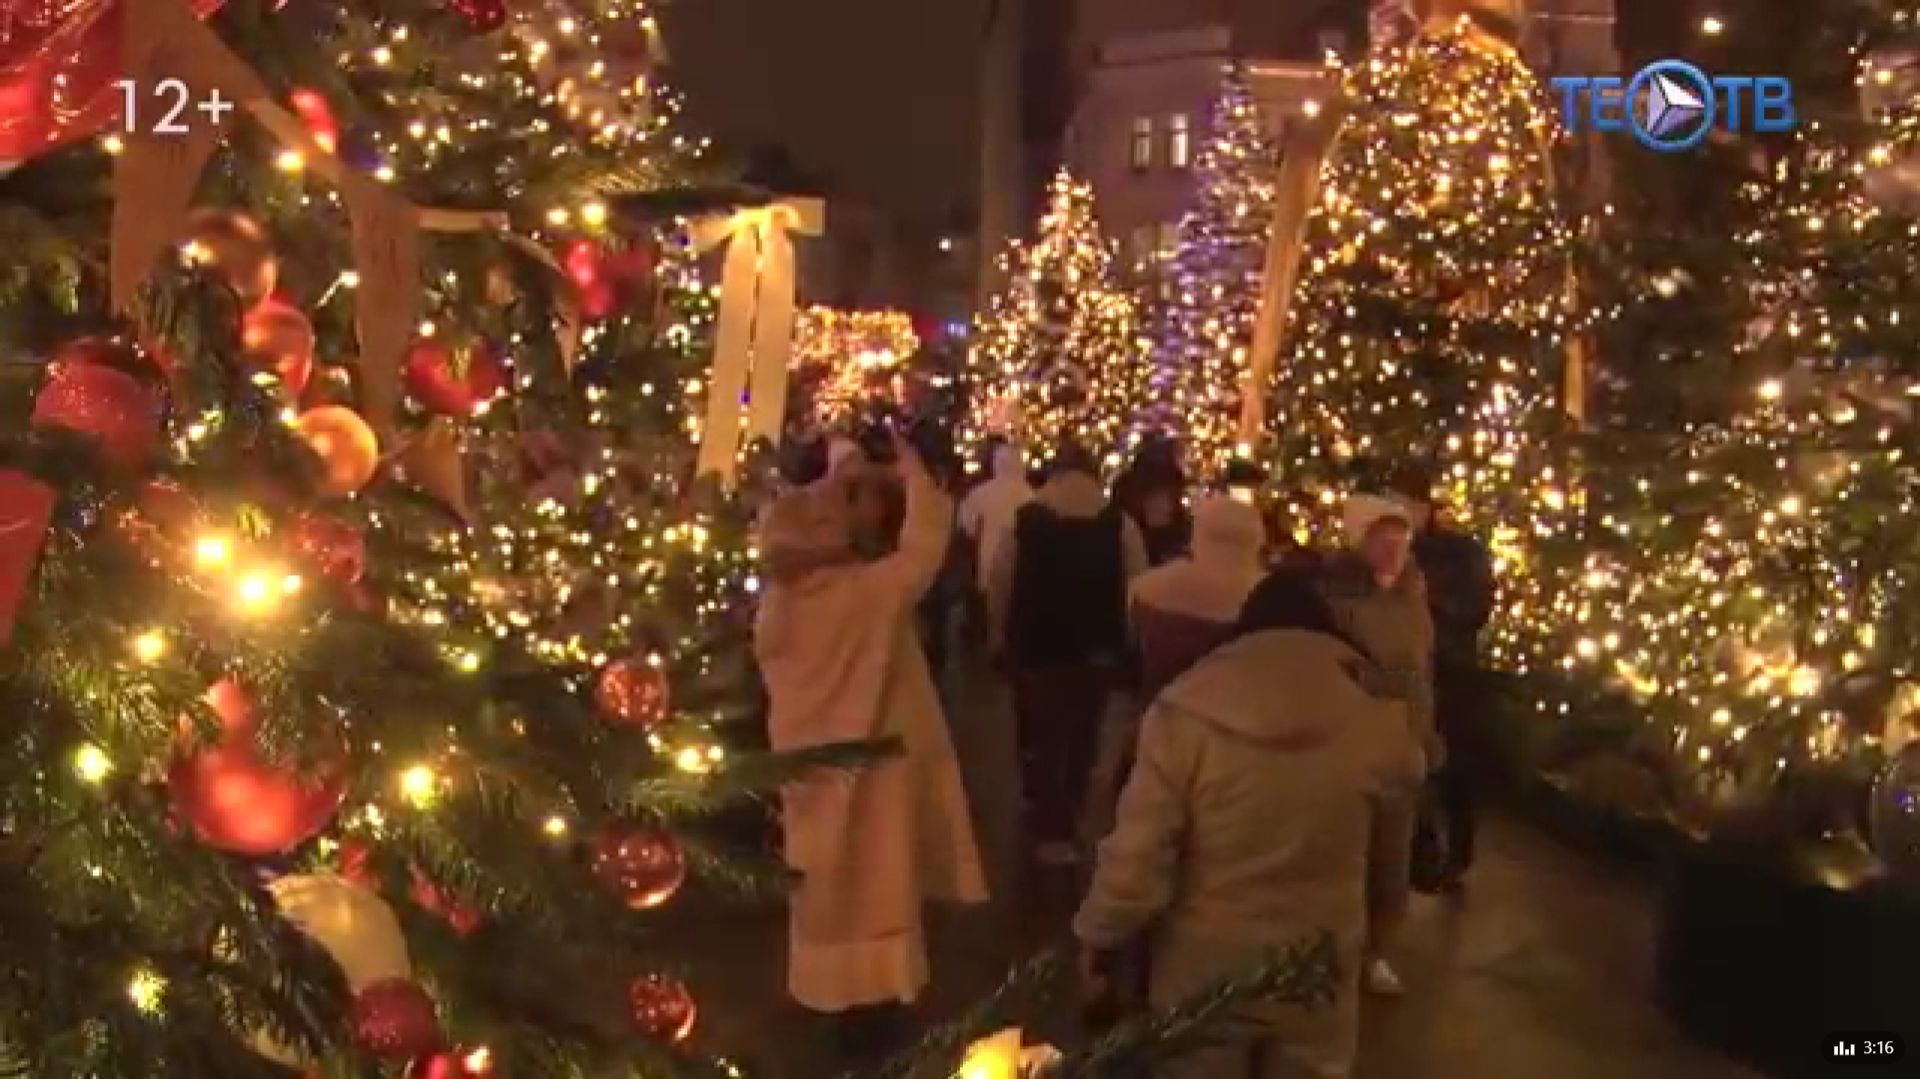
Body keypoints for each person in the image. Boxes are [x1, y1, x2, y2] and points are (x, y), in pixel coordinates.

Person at [1073, 568, 1425, 1079]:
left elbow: (1139, 855)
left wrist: (1100, 939)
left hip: (1202, 961)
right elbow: (1391, 866)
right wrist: (1376, 940)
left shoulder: (1185, 712)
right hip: (1319, 961)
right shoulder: (1377, 725)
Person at [754, 431, 989, 1057]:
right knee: (880, 882)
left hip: (809, 768)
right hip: (876, 767)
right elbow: (924, 548)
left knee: (826, 887)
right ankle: (878, 1021)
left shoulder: (777, 606)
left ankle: (831, 1006)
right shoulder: (868, 594)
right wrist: (916, 477)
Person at [988, 441, 1147, 865]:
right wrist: (1128, 639)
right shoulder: (1119, 524)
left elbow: (1000, 580)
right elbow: (1136, 584)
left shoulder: (1026, 519)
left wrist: (998, 633)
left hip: (1037, 638)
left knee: (1040, 731)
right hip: (1096, 641)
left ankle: (1044, 815)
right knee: (1084, 729)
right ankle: (1071, 813)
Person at [1321, 490, 1440, 998]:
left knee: (1391, 856)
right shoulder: (1338, 600)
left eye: (1401, 539)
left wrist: (1427, 731)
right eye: (1381, 539)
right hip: (1353, 736)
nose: (1393, 549)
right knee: (1345, 852)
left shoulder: (1415, 596)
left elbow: (1423, 671)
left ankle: (1376, 949)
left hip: (1402, 739)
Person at [1388, 463, 1496, 890]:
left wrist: (1427, 604)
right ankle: (1423, 850)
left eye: (1406, 505)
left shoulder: (1458, 553)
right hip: (1414, 668)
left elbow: (1473, 607)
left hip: (1450, 669)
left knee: (1453, 764)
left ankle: (1457, 850)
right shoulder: (1396, 549)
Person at [957, 437, 1033, 644]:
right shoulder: (1031, 496)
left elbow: (966, 527)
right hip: (1021, 567)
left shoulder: (981, 494)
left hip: (987, 562)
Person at [1113, 435, 1192, 567]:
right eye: (1159, 494)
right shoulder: (1126, 534)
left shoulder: (1184, 533)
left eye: (1173, 496)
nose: (1169, 504)